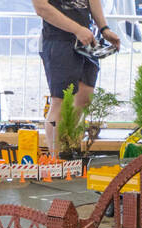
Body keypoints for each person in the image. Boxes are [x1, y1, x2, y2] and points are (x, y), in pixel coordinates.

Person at [32, 0, 120, 157]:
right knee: (60, 101)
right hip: (58, 41)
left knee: (85, 96)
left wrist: (104, 28)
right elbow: (41, 8)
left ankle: (67, 147)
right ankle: (56, 158)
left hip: (86, 40)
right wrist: (77, 29)